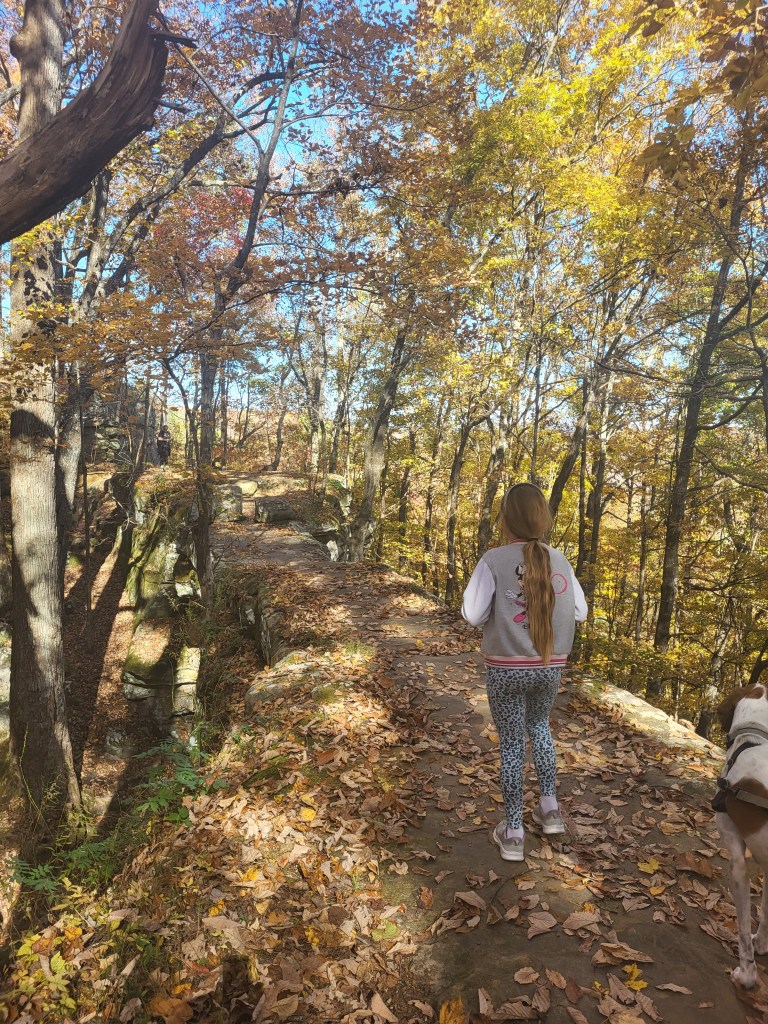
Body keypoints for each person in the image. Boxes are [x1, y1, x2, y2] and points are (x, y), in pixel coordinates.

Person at [461, 482, 587, 862]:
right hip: (549, 667)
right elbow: (579, 612)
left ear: (506, 519)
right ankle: (550, 812)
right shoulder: (559, 560)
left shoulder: (494, 560)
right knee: (540, 730)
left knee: (513, 744)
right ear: (543, 518)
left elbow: (472, 614)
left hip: (505, 669)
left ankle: (513, 832)